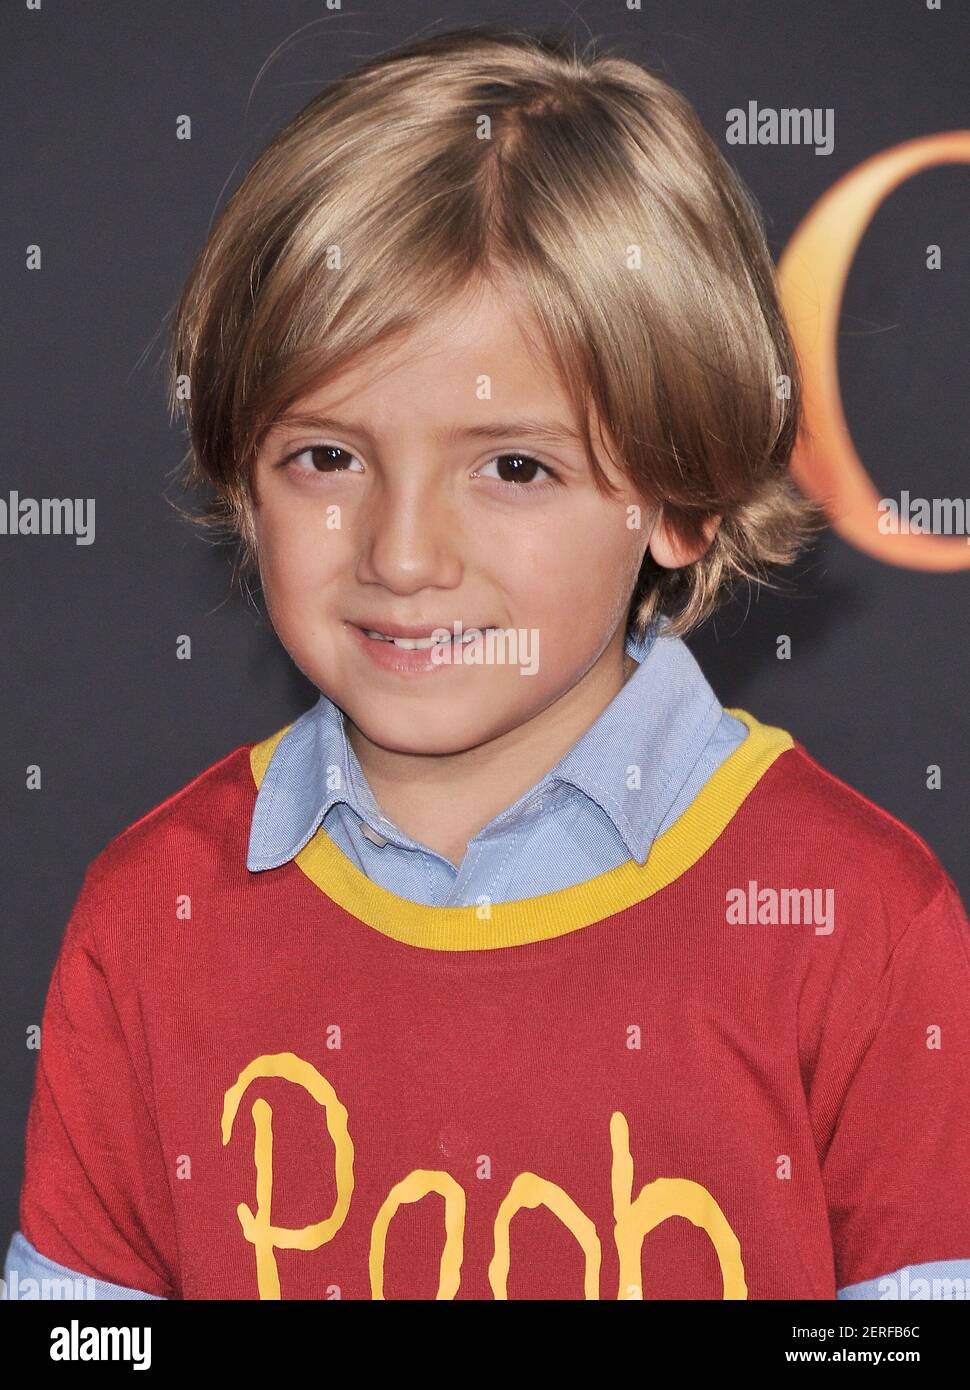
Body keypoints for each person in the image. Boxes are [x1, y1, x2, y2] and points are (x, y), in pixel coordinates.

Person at [5, 24, 970, 1302]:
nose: (403, 554)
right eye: (327, 457)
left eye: (514, 467)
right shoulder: (150, 913)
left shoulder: (857, 922)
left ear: (682, 501)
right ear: (244, 477)